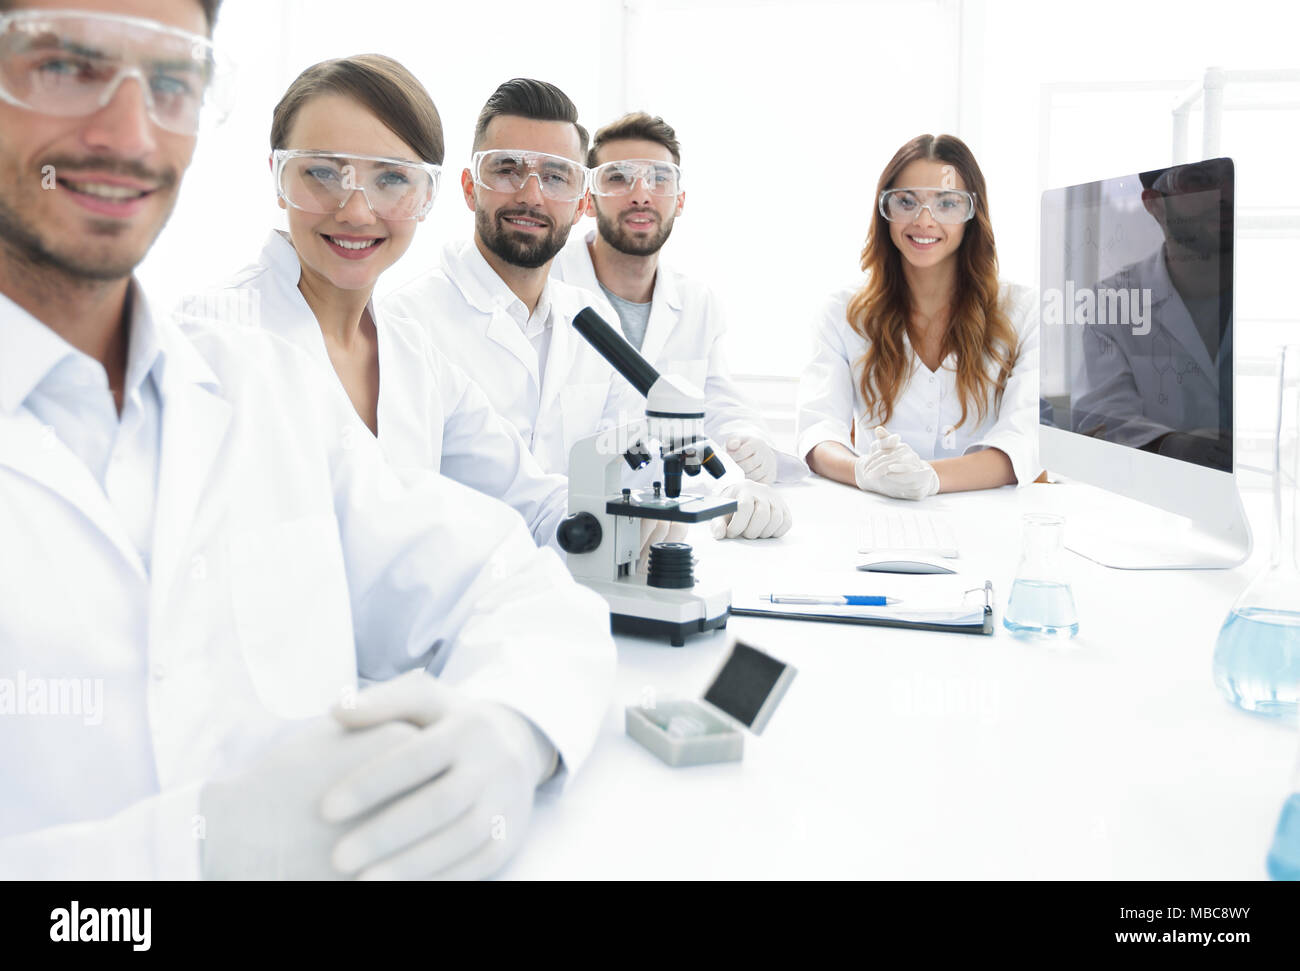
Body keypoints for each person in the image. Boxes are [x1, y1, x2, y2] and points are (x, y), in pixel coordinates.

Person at [0, 0, 613, 880]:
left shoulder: (251, 385)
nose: (128, 130)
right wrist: (194, 851)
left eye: (173, 77)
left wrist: (514, 728)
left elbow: (509, 579)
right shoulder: (239, 333)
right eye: (63, 65)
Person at [178, 54, 569, 549]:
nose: (356, 212)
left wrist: (625, 522)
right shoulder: (206, 335)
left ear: (427, 195)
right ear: (279, 180)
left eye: (390, 179)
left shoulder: (415, 358)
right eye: (321, 173)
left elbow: (533, 504)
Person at [383, 81, 787, 540]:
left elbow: (642, 454)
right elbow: (400, 508)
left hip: (575, 575)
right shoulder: (406, 321)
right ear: (470, 188)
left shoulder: (591, 320)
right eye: (508, 169)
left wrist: (734, 488)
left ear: (580, 203)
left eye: (556, 176)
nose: (531, 195)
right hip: (463, 592)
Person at [551, 110, 800, 540]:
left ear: (680, 200)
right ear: (587, 200)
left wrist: (750, 443)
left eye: (659, 178)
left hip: (668, 524)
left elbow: (719, 402)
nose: (641, 195)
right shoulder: (550, 290)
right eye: (618, 177)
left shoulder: (697, 302)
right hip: (570, 522)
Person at [797, 134, 1039, 499]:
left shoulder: (1024, 311)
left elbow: (1026, 442)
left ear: (973, 213)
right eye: (906, 202)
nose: (924, 220)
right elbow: (818, 433)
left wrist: (928, 477)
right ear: (885, 210)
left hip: (989, 524)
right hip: (876, 515)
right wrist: (863, 472)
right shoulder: (843, 313)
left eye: (947, 203)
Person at [1070, 158, 1233, 471]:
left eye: (1229, 178)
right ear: (1155, 205)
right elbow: (1099, 419)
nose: (1223, 192)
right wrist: (1169, 445)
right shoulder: (1113, 302)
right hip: (1158, 497)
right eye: (1197, 179)